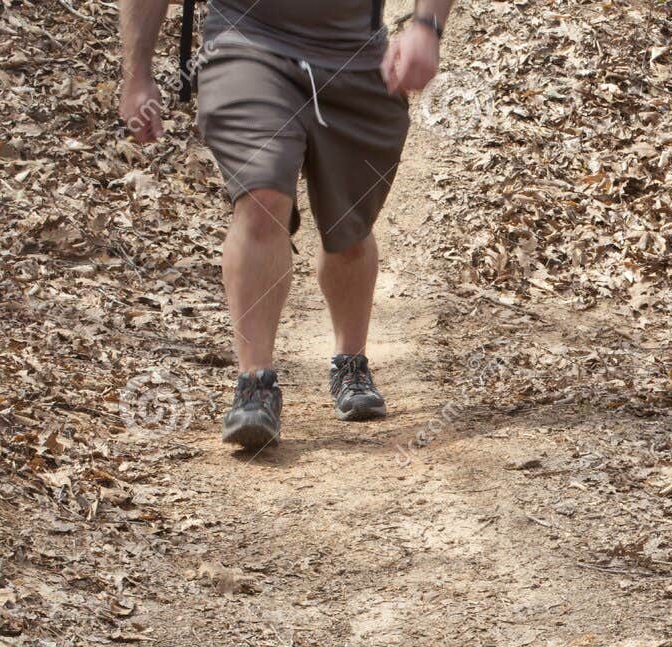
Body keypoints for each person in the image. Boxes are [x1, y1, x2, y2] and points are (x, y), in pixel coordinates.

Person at [118, 0, 451, 450]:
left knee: (348, 232)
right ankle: (254, 385)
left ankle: (350, 362)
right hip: (244, 43)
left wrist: (427, 27)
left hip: (354, 53)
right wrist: (137, 73)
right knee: (261, 197)